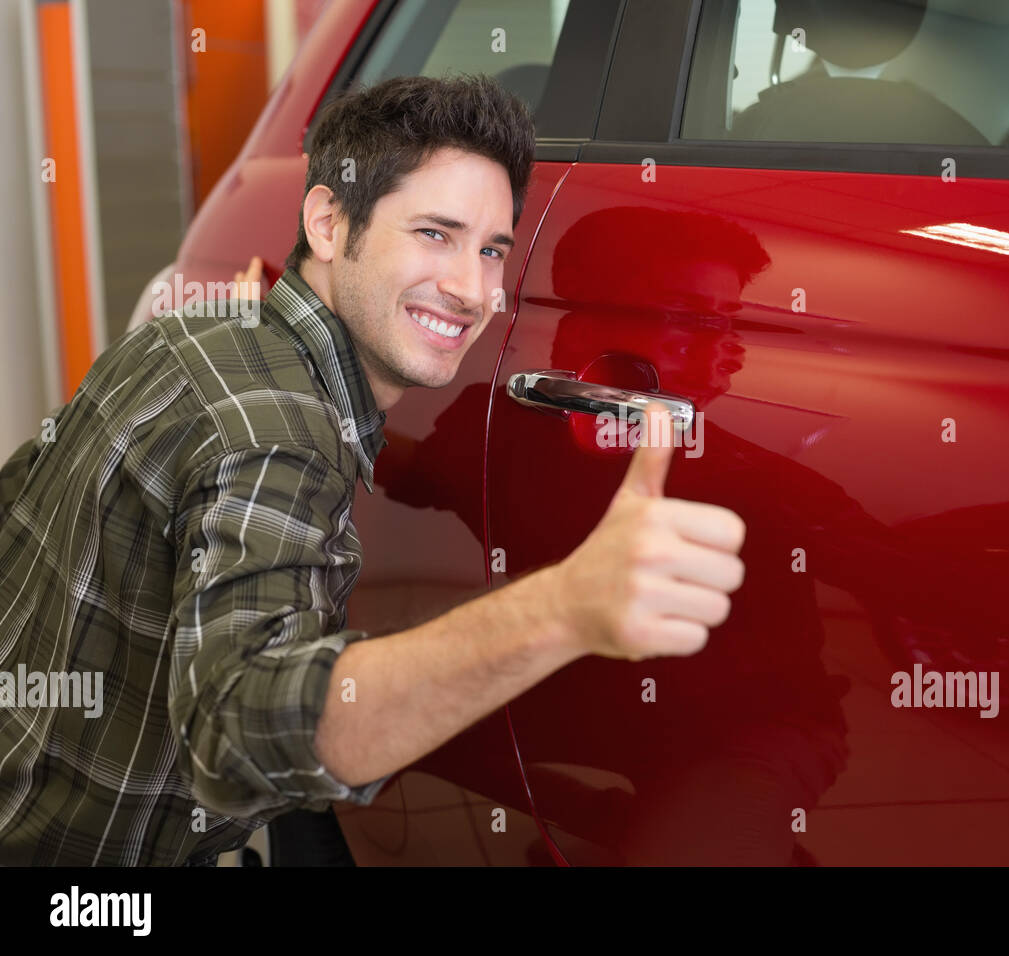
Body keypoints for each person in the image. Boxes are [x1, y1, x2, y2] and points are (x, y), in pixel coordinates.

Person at [0, 74, 745, 866]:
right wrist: (562, 607)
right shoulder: (281, 430)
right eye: (433, 233)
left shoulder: (187, 337)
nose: (472, 289)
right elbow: (235, 735)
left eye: (492, 249)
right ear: (327, 221)